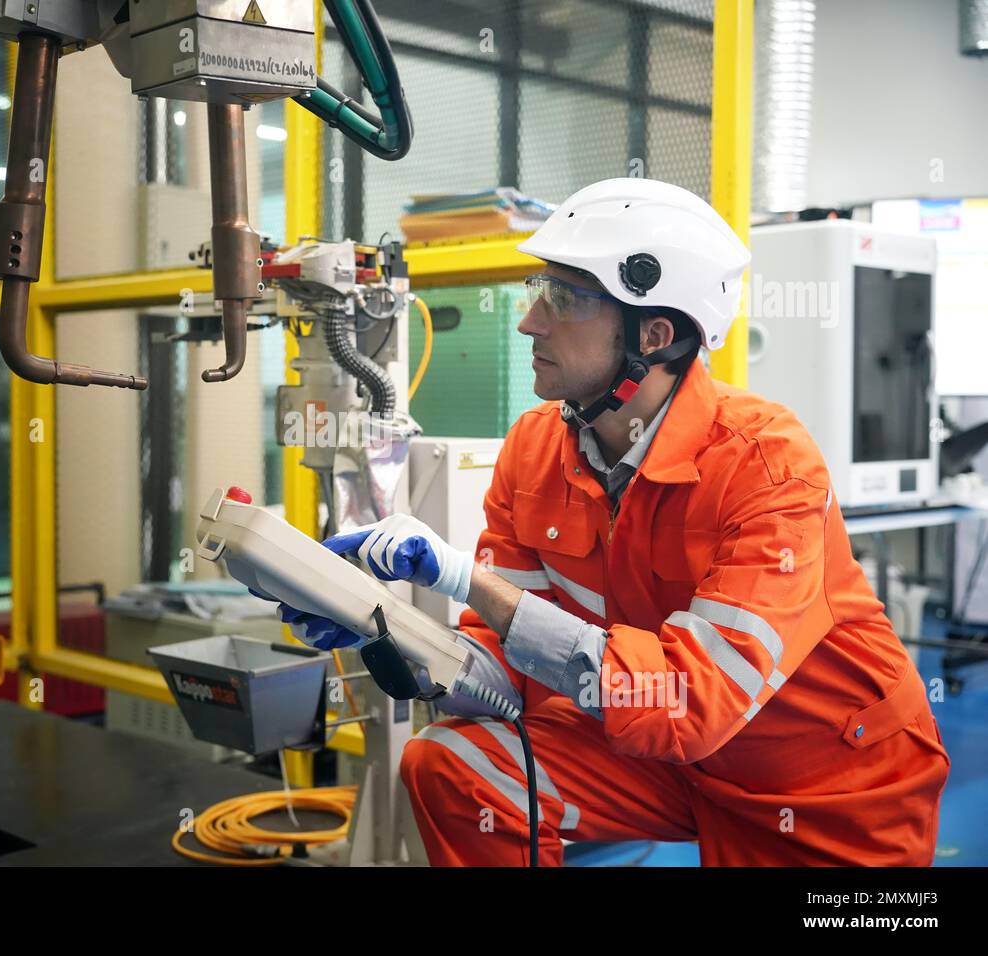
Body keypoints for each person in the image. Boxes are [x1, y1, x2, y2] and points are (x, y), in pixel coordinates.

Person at [274, 178, 950, 866]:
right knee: (454, 764)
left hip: (827, 779)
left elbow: (689, 701)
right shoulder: (535, 448)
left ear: (653, 336)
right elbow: (508, 676)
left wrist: (462, 578)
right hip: (669, 764)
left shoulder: (767, 463)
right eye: (540, 290)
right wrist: (389, 631)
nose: (530, 322)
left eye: (564, 299)